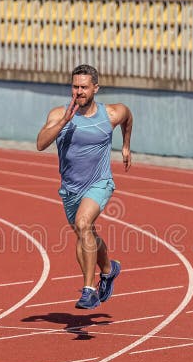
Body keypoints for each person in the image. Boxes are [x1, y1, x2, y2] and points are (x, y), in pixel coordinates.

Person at [36, 64, 133, 309]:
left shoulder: (110, 114)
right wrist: (64, 123)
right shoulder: (59, 114)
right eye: (75, 86)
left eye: (84, 87)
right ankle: (109, 270)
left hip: (100, 182)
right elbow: (40, 143)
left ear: (95, 89)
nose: (78, 92)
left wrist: (125, 146)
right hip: (70, 189)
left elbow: (127, 116)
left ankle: (89, 290)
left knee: (83, 224)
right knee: (85, 233)